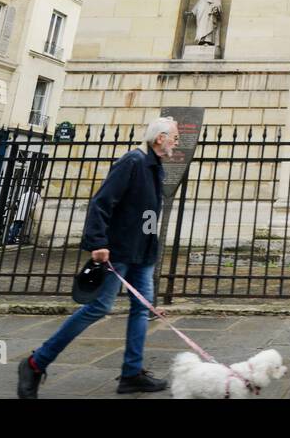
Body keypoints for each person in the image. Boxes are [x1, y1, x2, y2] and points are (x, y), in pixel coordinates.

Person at [18, 116, 179, 398]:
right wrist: (97, 242)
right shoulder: (132, 162)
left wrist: (151, 249)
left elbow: (150, 214)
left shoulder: (156, 169)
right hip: (118, 251)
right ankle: (35, 362)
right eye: (174, 137)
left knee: (141, 309)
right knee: (97, 308)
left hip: (141, 255)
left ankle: (131, 373)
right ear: (160, 139)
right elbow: (102, 201)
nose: (177, 143)